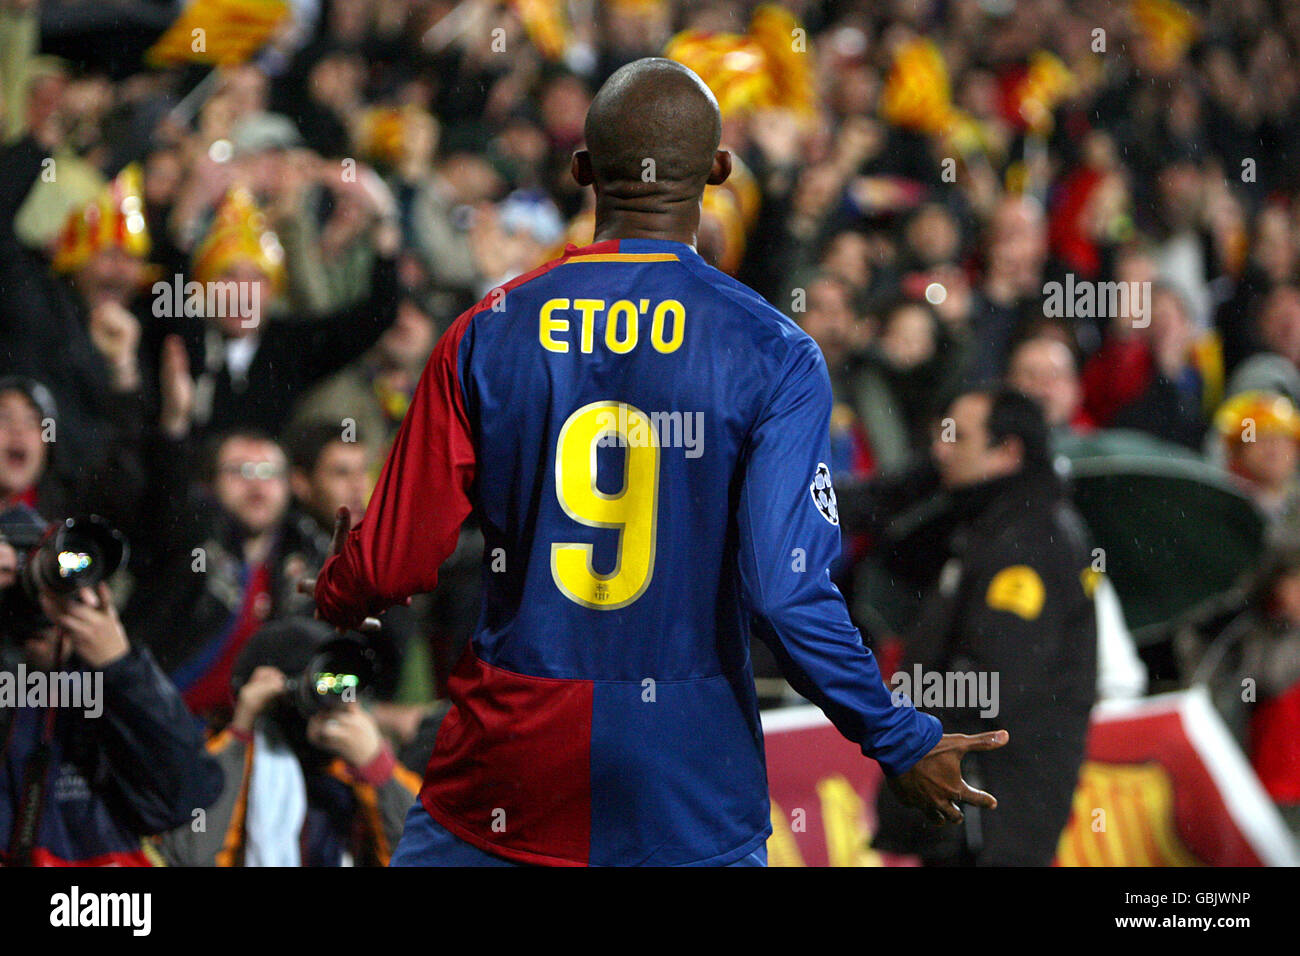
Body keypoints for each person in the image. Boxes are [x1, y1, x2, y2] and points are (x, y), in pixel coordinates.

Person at [313, 58, 1006, 867]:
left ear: (581, 171)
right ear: (718, 172)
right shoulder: (775, 352)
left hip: (511, 772)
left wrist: (339, 587)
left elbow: (393, 562)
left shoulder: (485, 331)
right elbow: (784, 594)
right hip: (687, 783)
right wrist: (896, 735)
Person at [872, 386, 1097, 866]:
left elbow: (996, 682)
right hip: (971, 811)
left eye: (959, 438)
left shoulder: (1029, 541)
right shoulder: (991, 528)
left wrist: (905, 719)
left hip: (994, 816)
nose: (940, 450)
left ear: (1006, 452)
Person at [0, 571, 222, 866]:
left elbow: (183, 798)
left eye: (54, 588)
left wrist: (118, 666)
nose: (41, 605)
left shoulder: (108, 689)